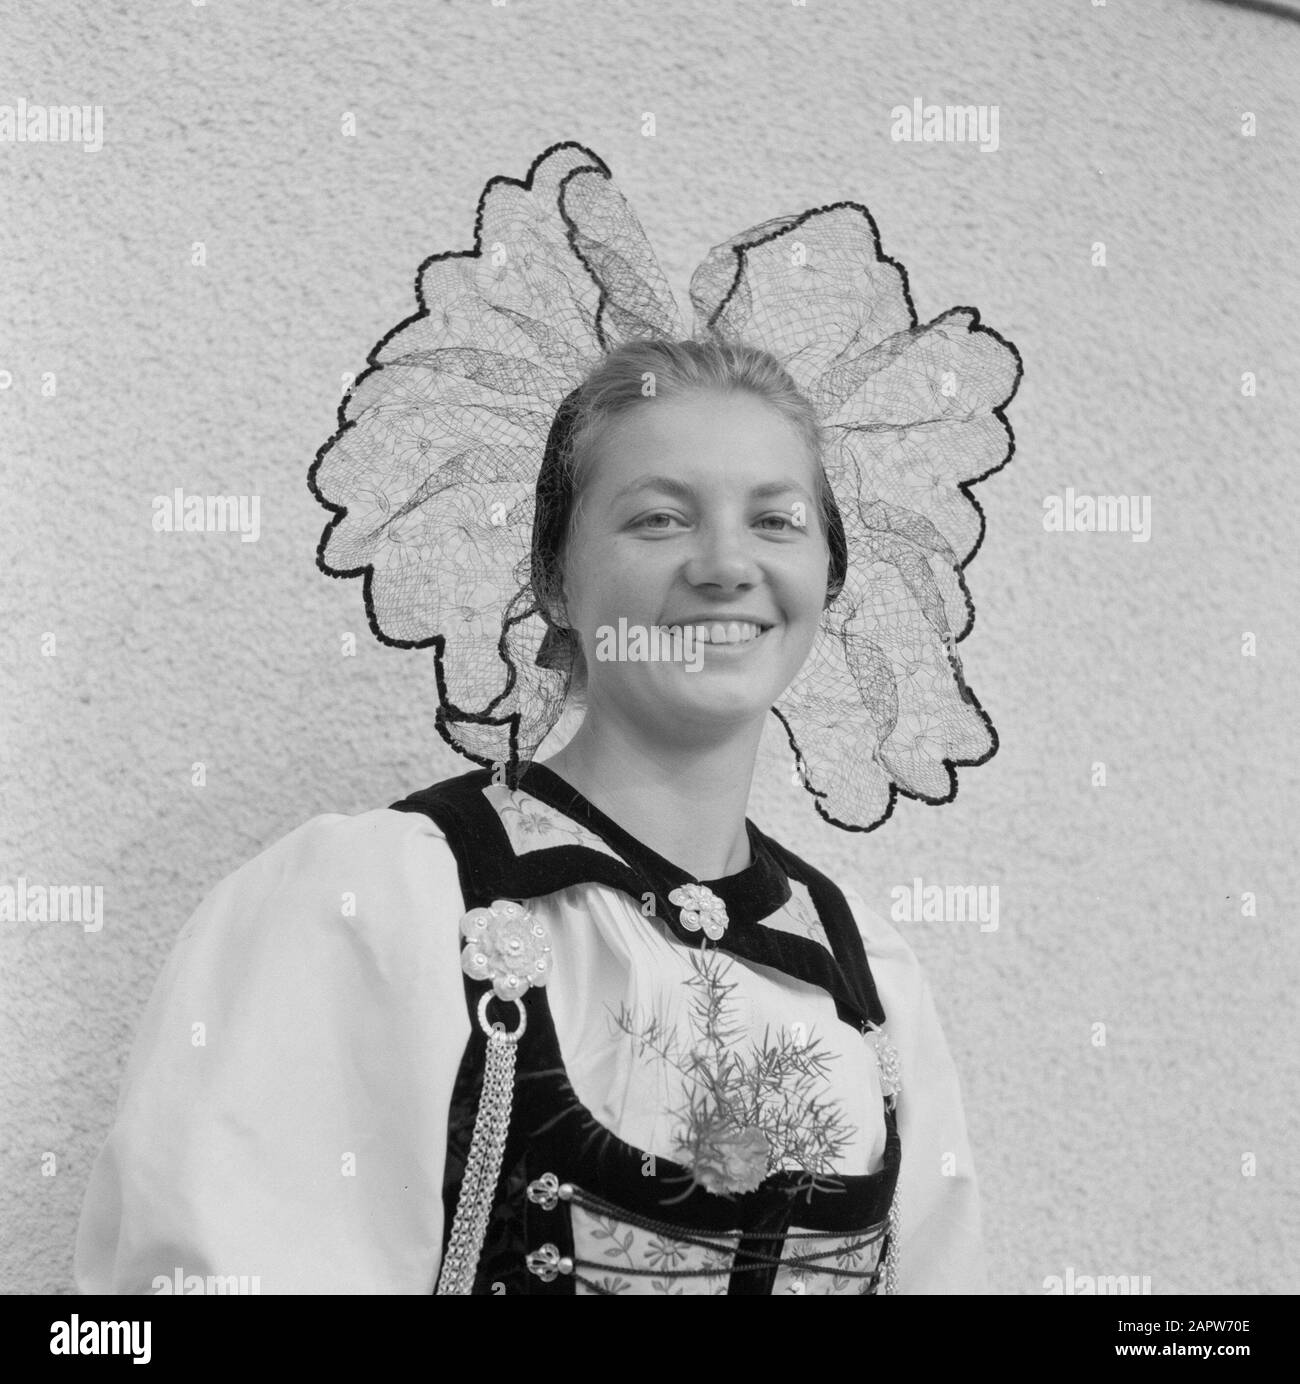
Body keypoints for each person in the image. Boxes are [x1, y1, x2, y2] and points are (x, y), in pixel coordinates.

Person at [75, 144, 1021, 1295]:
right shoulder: (382, 906)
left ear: (826, 576)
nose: (726, 566)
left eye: (775, 521)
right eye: (660, 518)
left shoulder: (867, 978)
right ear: (556, 581)